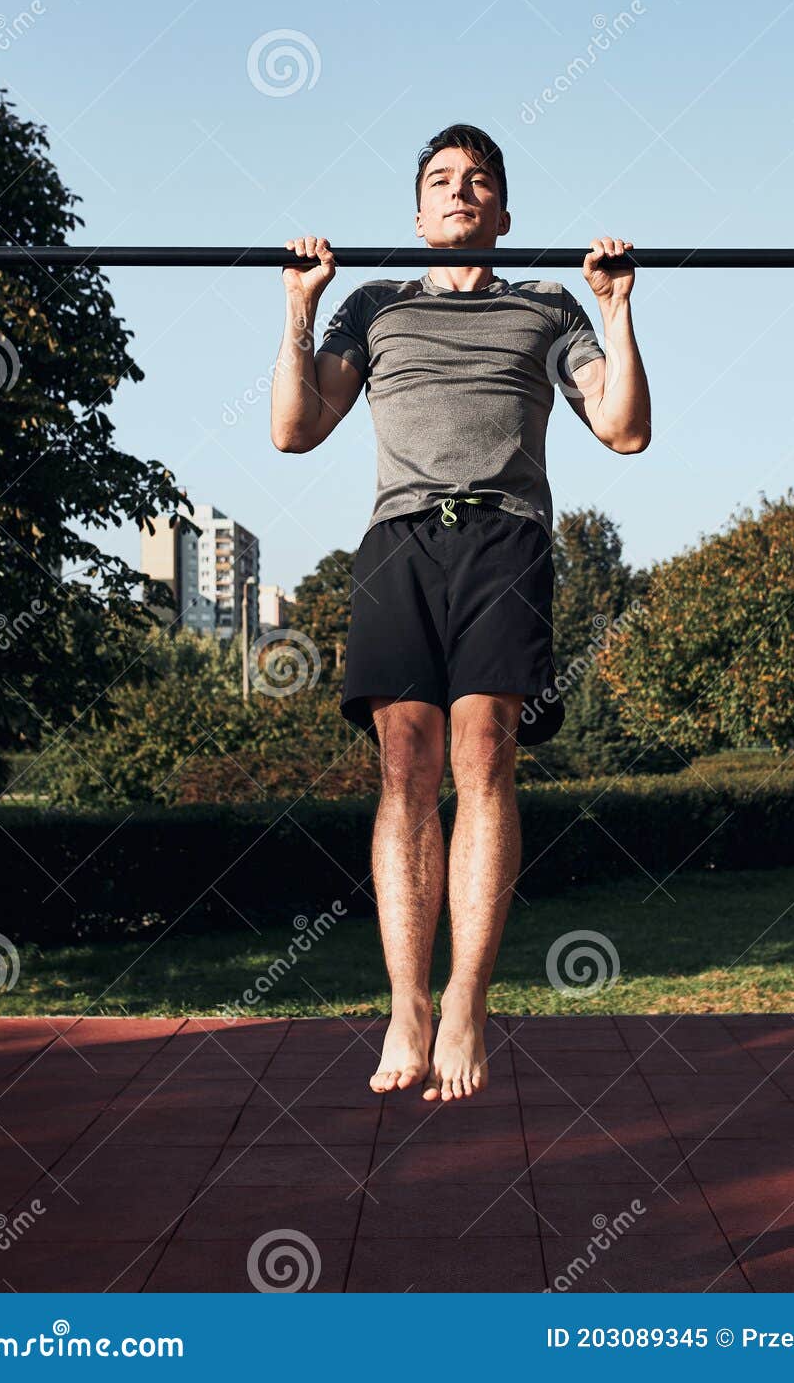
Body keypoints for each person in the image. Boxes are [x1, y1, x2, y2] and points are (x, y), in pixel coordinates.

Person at [270, 122, 651, 1102]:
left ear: (502, 212)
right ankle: (404, 1003)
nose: (459, 191)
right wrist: (298, 310)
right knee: (405, 767)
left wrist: (615, 310)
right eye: (441, 180)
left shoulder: (545, 306)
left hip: (504, 535)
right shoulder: (375, 306)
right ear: (416, 211)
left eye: (477, 181)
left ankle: (466, 1000)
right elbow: (293, 429)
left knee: (482, 754)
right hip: (398, 538)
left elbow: (624, 428)